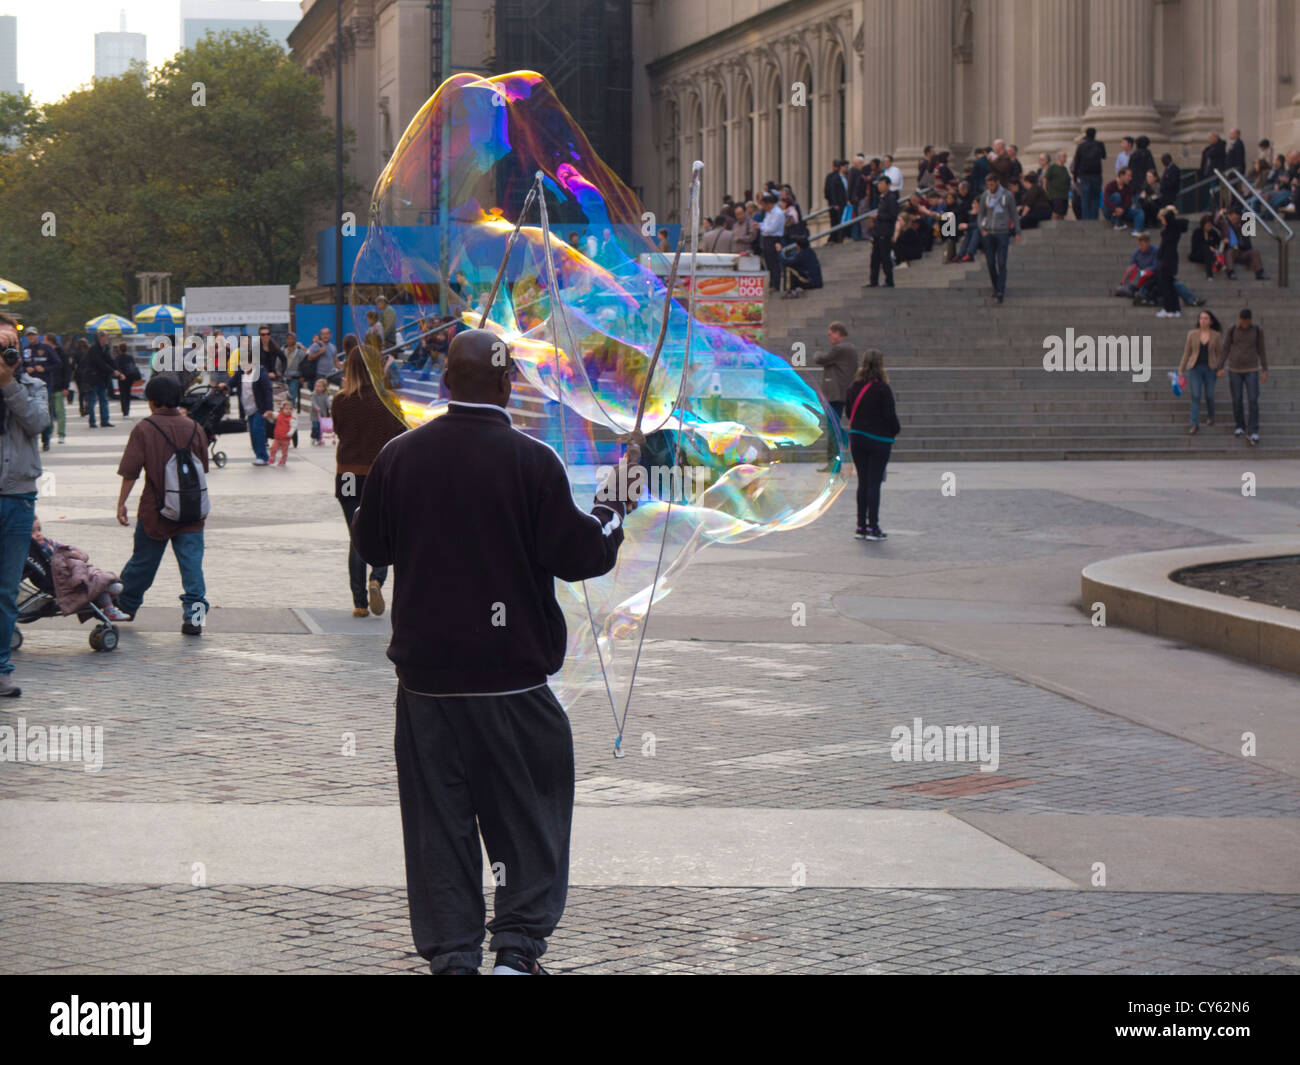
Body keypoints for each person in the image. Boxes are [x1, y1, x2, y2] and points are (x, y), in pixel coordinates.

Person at [349, 328, 636, 976]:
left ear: (445, 383)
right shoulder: (532, 463)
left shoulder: (401, 455)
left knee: (438, 828)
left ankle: (453, 955)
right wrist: (614, 504)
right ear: (510, 386)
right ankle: (516, 950)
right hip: (511, 684)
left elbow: (373, 542)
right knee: (530, 816)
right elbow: (582, 554)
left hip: (426, 688)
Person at [113, 374, 210, 636]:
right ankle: (196, 618)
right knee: (192, 569)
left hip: (155, 512)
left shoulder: (145, 428)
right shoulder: (194, 427)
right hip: (191, 511)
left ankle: (125, 607)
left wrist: (122, 504)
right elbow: (204, 466)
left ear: (151, 401)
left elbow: (130, 471)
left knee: (142, 564)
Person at [331, 344, 405, 617]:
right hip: (379, 473)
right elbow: (401, 435)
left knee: (355, 535)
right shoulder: (387, 400)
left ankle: (359, 603)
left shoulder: (340, 400)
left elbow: (339, 430)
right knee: (383, 530)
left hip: (348, 474)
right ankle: (378, 578)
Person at [0, 312, 51, 698]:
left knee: (6, 589)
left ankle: (1, 669)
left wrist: (8, 385)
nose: (6, 352)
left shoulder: (32, 386)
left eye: (10, 347)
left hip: (17, 498)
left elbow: (36, 424)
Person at [844, 349, 900, 542]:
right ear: (881, 365)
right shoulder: (883, 389)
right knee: (874, 483)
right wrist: (894, 431)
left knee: (863, 482)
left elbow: (849, 412)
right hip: (879, 440)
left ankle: (860, 527)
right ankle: (873, 527)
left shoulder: (854, 387)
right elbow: (890, 417)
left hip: (858, 438)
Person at [31, 516, 129, 621]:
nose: (38, 534)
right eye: (32, 531)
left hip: (75, 571)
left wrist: (75, 554)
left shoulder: (47, 543)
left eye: (39, 529)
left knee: (98, 582)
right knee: (99, 585)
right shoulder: (40, 551)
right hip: (68, 579)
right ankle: (109, 609)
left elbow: (68, 549)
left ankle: (109, 607)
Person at [814, 322, 857, 470]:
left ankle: (837, 460)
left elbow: (822, 359)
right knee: (834, 427)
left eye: (831, 334)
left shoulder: (840, 348)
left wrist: (817, 354)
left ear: (839, 333)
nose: (830, 337)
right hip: (841, 393)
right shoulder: (848, 349)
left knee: (833, 429)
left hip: (836, 394)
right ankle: (839, 459)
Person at [1222, 309, 1267, 445]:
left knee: (1253, 399)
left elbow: (1262, 350)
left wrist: (1264, 369)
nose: (1245, 324)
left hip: (1252, 369)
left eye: (1247, 322)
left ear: (1251, 320)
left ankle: (1253, 430)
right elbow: (1225, 348)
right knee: (1237, 399)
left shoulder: (1257, 330)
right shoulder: (1232, 329)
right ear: (1239, 319)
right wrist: (1219, 366)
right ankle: (1239, 425)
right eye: (1243, 321)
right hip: (1234, 369)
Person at [977, 171, 1021, 304]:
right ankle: (996, 286)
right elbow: (980, 214)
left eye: (992, 184)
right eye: (988, 185)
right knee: (990, 262)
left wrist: (1017, 232)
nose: (990, 187)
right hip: (989, 232)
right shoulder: (985, 196)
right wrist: (982, 229)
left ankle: (1000, 290)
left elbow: (1014, 214)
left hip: (1002, 232)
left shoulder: (1007, 196)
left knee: (1002, 262)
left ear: (997, 183)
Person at [1178, 310, 1224, 435]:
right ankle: (1194, 423)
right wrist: (1181, 370)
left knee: (1209, 395)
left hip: (1210, 368)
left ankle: (1211, 416)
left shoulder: (1216, 335)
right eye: (1201, 318)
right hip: (1195, 368)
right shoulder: (1192, 334)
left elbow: (1220, 354)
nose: (1203, 321)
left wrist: (1220, 368)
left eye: (1206, 318)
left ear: (1210, 321)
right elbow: (1187, 352)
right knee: (1196, 395)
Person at [230, 349, 274, 466]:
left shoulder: (260, 372)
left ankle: (262, 456)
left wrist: (269, 408)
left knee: (257, 430)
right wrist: (225, 386)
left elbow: (268, 391)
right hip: (248, 408)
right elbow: (232, 382)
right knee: (253, 433)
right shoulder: (241, 371)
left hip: (259, 408)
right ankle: (258, 454)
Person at [1154, 205, 1188, 318]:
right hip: (1171, 260)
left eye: (1163, 219)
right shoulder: (1175, 229)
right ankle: (1175, 309)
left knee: (1166, 286)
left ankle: (1168, 308)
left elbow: (1164, 246)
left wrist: (1159, 256)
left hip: (1167, 261)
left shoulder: (1170, 230)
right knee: (1170, 286)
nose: (1162, 222)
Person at [1216, 208, 1267, 280]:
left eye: (1237, 218)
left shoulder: (1242, 226)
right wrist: (1220, 213)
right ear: (1229, 216)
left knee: (1255, 252)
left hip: (1243, 251)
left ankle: (1259, 273)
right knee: (1229, 252)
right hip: (1231, 250)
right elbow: (1215, 222)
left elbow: (1250, 216)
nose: (1235, 220)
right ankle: (1230, 272)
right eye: (1234, 218)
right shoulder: (1225, 225)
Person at [869, 176, 898, 288]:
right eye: (879, 184)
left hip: (885, 233)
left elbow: (892, 215)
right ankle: (873, 281)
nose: (879, 186)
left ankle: (889, 280)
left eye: (881, 183)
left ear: (888, 184)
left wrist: (879, 216)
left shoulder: (891, 198)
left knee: (885, 258)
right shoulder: (882, 198)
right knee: (875, 258)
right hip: (878, 232)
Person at [83, 332, 117, 428]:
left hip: (103, 379)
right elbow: (100, 363)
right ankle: (92, 422)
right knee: (92, 401)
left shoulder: (106, 348)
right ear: (100, 338)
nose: (107, 339)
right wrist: (113, 371)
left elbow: (110, 361)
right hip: (93, 379)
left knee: (104, 400)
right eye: (105, 337)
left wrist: (117, 370)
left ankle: (105, 421)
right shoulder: (94, 349)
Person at [1073, 127, 1106, 220]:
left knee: (1085, 197)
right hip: (1096, 174)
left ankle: (1086, 218)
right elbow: (1104, 156)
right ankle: (1094, 217)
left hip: (1084, 175)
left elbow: (1077, 162)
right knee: (1095, 197)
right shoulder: (1099, 144)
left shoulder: (1081, 146)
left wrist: (1075, 177)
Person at [758, 192, 785, 290]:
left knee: (774, 262)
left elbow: (772, 228)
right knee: (768, 262)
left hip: (773, 238)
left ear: (769, 204)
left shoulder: (777, 213)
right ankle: (772, 283)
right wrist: (760, 226)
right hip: (766, 238)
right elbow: (765, 225)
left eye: (764, 205)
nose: (763, 207)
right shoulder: (768, 213)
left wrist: (761, 228)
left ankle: (776, 284)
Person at [1189, 213, 1222, 278]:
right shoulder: (1197, 232)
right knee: (1206, 248)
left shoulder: (1213, 233)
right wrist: (1209, 248)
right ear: (1203, 225)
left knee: (1208, 252)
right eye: (1207, 225)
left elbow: (1219, 243)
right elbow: (1195, 246)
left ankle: (1210, 275)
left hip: (1210, 255)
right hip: (1198, 254)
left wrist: (1214, 249)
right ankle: (1216, 264)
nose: (1209, 227)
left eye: (1210, 225)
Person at [823, 159, 849, 242]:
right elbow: (831, 191)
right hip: (837, 203)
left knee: (843, 220)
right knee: (837, 220)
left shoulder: (846, 177)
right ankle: (837, 238)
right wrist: (834, 203)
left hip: (845, 203)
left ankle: (841, 237)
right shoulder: (834, 178)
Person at [115, 342, 141, 419]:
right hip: (130, 377)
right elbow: (133, 366)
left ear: (119, 349)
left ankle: (124, 411)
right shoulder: (130, 357)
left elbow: (116, 367)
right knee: (127, 394)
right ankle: (127, 411)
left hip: (122, 377)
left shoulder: (118, 358)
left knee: (123, 394)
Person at [282, 332, 308, 410]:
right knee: (283, 397)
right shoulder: (282, 350)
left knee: (292, 396)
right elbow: (278, 362)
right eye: (288, 338)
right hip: (283, 377)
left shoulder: (300, 353)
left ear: (295, 340)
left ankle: (289, 413)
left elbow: (305, 365)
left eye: (292, 338)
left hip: (295, 377)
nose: (290, 340)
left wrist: (302, 376)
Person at [1045, 151, 1071, 219]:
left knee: (1062, 212)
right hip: (1055, 194)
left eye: (1066, 156)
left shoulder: (1064, 169)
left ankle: (1061, 227)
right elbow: (1045, 179)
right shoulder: (1053, 167)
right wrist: (1045, 190)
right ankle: (1054, 226)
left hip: (1064, 195)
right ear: (1059, 157)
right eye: (1064, 156)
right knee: (1057, 211)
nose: (1065, 158)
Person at [269, 400, 295, 467]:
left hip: (285, 438)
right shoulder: (278, 415)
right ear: (282, 409)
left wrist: (290, 433)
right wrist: (270, 414)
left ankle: (283, 461)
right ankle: (272, 458)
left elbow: (293, 427)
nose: (288, 410)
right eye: (286, 409)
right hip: (277, 437)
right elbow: (273, 415)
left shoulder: (291, 419)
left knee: (284, 451)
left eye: (290, 409)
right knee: (273, 448)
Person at [310, 377, 331, 445]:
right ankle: (313, 436)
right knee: (315, 426)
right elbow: (313, 402)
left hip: (322, 414)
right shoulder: (313, 394)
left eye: (319, 386)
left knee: (320, 427)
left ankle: (319, 439)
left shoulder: (326, 395)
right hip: (315, 414)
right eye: (316, 386)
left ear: (324, 388)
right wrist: (316, 407)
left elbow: (328, 402)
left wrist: (330, 406)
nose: (317, 388)